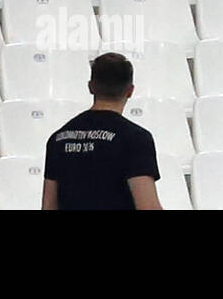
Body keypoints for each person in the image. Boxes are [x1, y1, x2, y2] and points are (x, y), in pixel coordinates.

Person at [42, 52, 162, 210]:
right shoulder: (135, 138)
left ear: (91, 87)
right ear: (130, 90)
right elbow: (147, 206)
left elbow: (48, 206)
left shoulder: (59, 139)